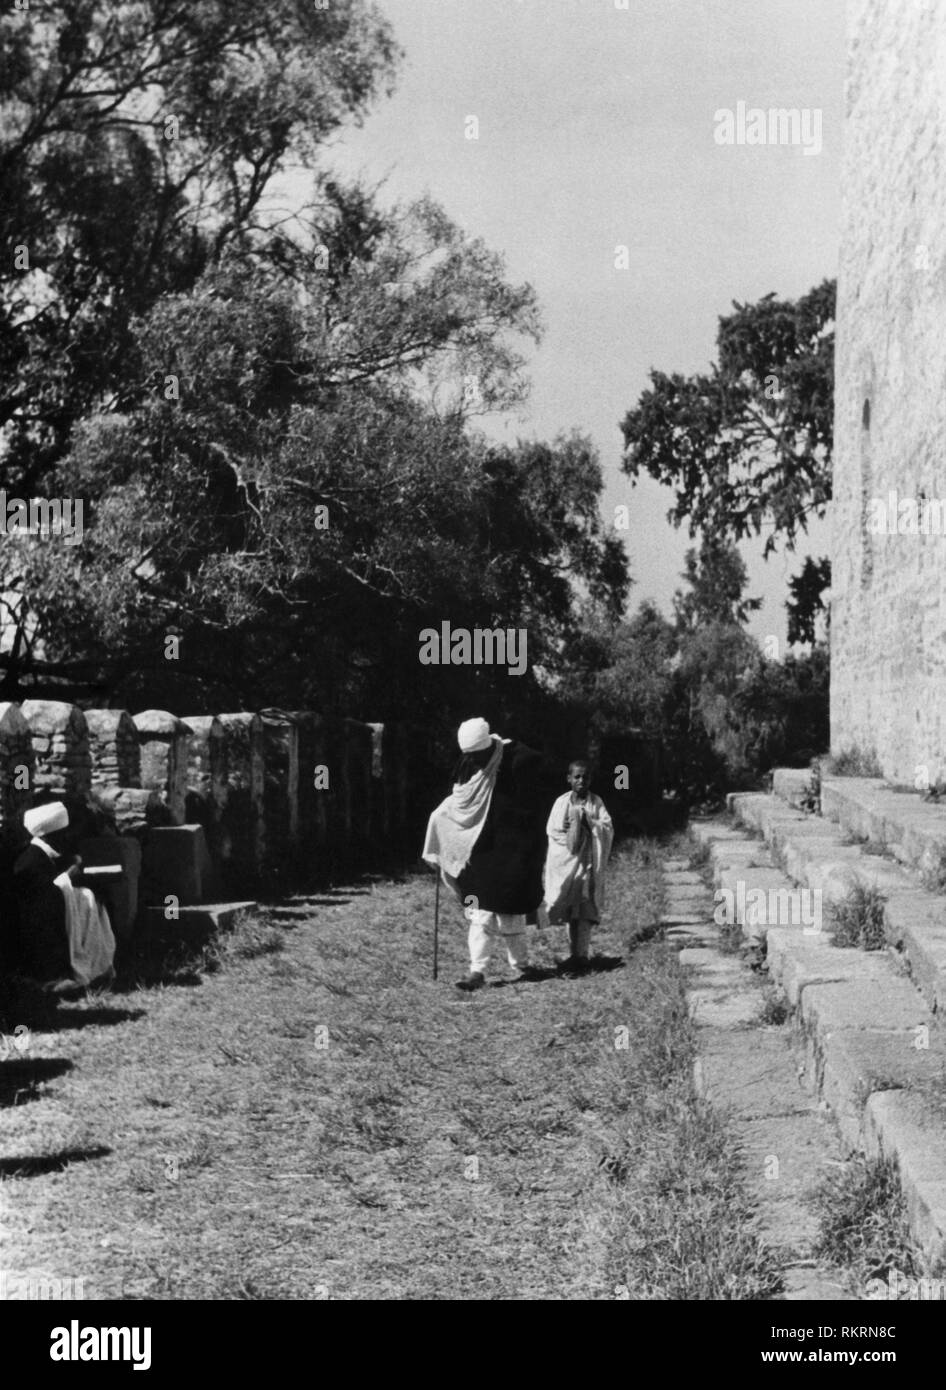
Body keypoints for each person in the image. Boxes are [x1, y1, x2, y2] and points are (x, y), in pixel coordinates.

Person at [423, 717, 547, 992]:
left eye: (479, 755)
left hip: (514, 847)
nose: (475, 761)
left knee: (511, 910)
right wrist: (441, 821)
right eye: (471, 756)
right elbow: (461, 797)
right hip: (481, 850)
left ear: (489, 745)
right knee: (481, 912)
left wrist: (531, 844)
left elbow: (538, 798)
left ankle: (522, 965)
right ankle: (476, 970)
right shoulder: (469, 762)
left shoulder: (521, 759)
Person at [11, 800, 116, 993]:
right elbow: (40, 900)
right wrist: (68, 878)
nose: (67, 838)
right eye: (62, 834)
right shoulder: (29, 861)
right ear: (50, 836)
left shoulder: (46, 855)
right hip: (35, 938)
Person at [543, 759, 614, 975]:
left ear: (591, 779)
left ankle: (582, 955)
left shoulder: (596, 802)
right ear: (569, 779)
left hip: (588, 864)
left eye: (585, 776)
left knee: (584, 909)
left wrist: (589, 823)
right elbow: (552, 832)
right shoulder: (560, 802)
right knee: (569, 909)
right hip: (566, 865)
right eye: (577, 776)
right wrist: (568, 831)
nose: (581, 780)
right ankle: (572, 954)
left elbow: (607, 827)